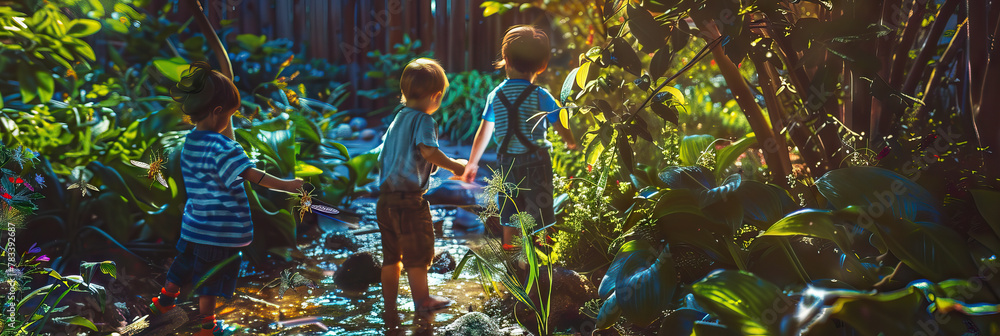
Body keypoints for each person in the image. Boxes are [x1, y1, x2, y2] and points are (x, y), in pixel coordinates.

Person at [147, 62, 304, 336]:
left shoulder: (191, 141)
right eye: (230, 114)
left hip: (195, 225)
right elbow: (254, 176)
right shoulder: (223, 147)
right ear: (218, 111)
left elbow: (226, 144)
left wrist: (225, 117)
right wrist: (288, 185)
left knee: (182, 265)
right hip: (219, 233)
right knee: (210, 281)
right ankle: (208, 325)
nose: (230, 119)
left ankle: (163, 301)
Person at [461, 26, 577, 250]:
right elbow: (560, 122)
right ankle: (542, 264)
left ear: (505, 59)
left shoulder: (495, 95)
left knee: (510, 216)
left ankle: (513, 266)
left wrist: (472, 163)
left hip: (507, 164)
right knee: (540, 217)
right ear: (542, 65)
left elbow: (484, 132)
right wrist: (571, 141)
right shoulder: (541, 95)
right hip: (536, 163)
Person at [377, 58, 464, 327]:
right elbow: (427, 150)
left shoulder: (397, 119)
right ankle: (423, 301)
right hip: (408, 202)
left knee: (391, 257)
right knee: (418, 254)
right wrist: (454, 166)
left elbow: (389, 157)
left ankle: (389, 307)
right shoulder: (425, 120)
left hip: (385, 201)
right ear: (436, 96)